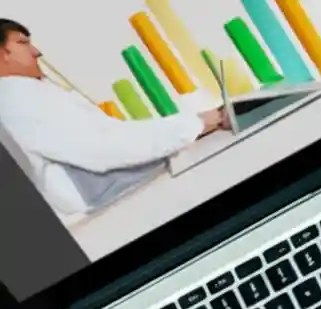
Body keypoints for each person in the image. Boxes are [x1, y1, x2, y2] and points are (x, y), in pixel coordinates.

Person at [0, 18, 227, 215]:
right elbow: (103, 148)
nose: (36, 51)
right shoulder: (16, 98)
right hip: (115, 212)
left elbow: (108, 138)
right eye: (22, 43)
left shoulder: (24, 94)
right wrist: (196, 124)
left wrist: (195, 127)